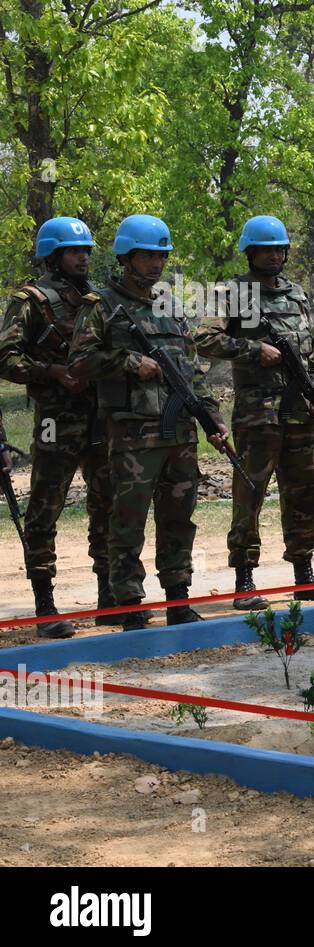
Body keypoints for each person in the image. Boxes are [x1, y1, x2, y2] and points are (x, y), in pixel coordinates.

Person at [69, 214, 223, 630]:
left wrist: (213, 417)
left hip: (180, 435)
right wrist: (129, 361)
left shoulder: (171, 305)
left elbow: (192, 371)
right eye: (147, 256)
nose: (156, 264)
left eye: (161, 256)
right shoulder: (101, 306)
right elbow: (79, 362)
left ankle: (178, 599)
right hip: (133, 435)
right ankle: (129, 605)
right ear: (126, 257)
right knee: (128, 520)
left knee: (179, 519)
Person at [194, 215, 314, 609]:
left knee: (304, 495)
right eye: (265, 250)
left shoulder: (296, 295)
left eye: (279, 249)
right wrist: (252, 350)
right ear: (250, 253)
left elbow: (309, 356)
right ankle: (245, 581)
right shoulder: (235, 293)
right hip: (258, 415)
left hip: (299, 414)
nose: (274, 256)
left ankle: (304, 575)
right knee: (250, 496)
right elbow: (204, 339)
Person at [0, 217, 114, 637]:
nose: (83, 257)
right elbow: (5, 358)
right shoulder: (30, 301)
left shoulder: (97, 300)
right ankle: (45, 606)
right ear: (53, 255)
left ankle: (109, 597)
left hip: (100, 415)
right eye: (73, 251)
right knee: (45, 508)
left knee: (108, 504)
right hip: (56, 418)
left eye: (86, 251)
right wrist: (51, 371)